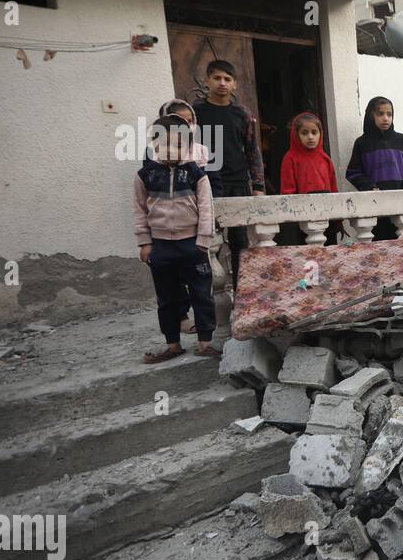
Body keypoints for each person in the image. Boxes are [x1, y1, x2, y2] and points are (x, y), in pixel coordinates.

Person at [134, 114, 219, 363]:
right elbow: (139, 209)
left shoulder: (196, 175)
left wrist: (203, 240)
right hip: (160, 246)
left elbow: (206, 209)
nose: (172, 149)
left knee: (202, 293)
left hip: (192, 243)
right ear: (155, 144)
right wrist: (144, 242)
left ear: (188, 147)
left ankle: (205, 342)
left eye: (179, 144)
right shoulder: (145, 175)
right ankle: (172, 343)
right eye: (166, 143)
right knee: (167, 297)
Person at [193, 60, 264, 283]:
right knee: (209, 240)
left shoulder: (242, 114)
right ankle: (209, 296)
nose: (222, 83)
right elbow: (188, 147)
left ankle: (241, 292)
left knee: (240, 241)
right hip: (207, 183)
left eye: (227, 79)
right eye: (217, 78)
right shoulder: (196, 112)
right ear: (207, 81)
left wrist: (258, 185)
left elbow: (253, 150)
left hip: (238, 182)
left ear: (234, 84)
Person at [346, 96, 403, 239]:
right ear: (371, 115)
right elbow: (353, 172)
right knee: (380, 244)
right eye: (380, 114)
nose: (386, 118)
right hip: (376, 207)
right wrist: (369, 187)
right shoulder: (362, 143)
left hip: (401, 204)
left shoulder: (401, 140)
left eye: (389, 114)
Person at [280, 111, 339, 245]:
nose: (310, 137)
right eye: (304, 133)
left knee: (329, 254)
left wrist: (338, 220)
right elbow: (287, 191)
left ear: (320, 133)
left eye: (314, 132)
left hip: (327, 215)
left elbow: (334, 188)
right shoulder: (290, 158)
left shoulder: (325, 159)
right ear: (296, 135)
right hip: (302, 217)